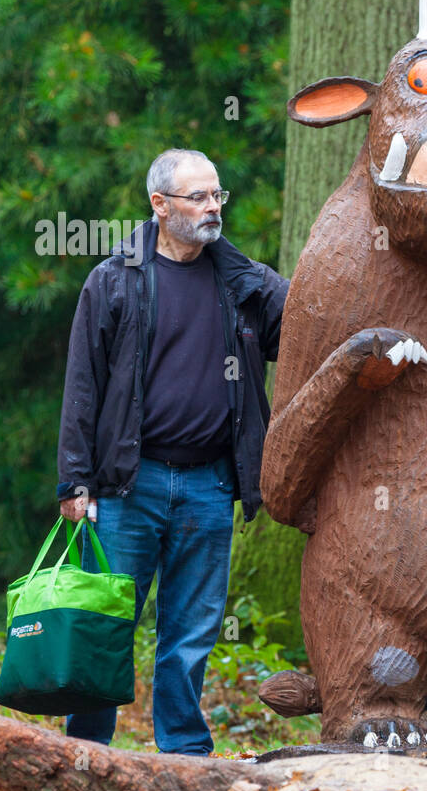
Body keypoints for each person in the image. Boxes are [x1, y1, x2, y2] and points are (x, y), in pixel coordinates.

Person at [56, 148, 288, 754]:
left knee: (191, 633)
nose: (213, 208)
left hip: (210, 487)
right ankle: (86, 750)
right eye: (199, 197)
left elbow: (306, 325)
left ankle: (184, 754)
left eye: (218, 196)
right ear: (160, 205)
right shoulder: (114, 280)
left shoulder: (242, 282)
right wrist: (74, 483)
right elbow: (83, 385)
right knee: (106, 624)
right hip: (129, 486)